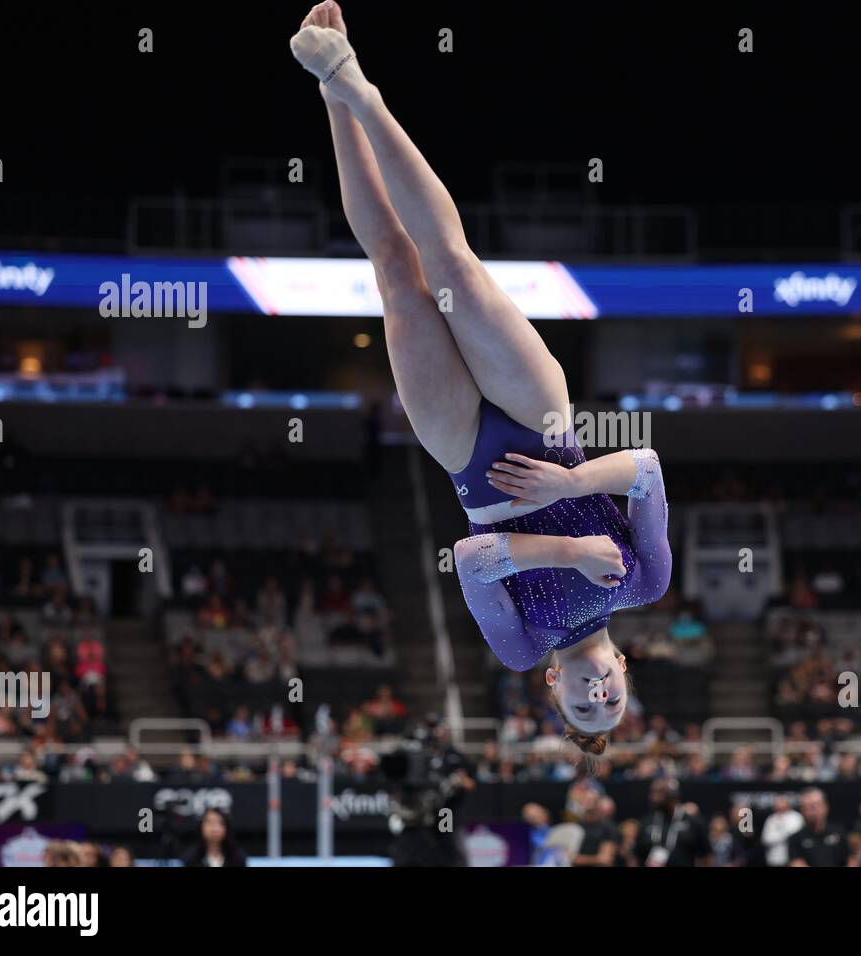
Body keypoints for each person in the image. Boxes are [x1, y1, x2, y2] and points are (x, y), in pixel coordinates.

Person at [291, 2, 672, 759]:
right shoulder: (644, 583)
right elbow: (646, 468)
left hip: (469, 461)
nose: (597, 697)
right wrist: (567, 492)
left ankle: (334, 99)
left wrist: (569, 553)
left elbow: (470, 560)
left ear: (552, 693)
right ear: (626, 671)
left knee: (399, 276)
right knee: (454, 266)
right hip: (550, 432)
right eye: (613, 702)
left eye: (585, 710)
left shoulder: (522, 646)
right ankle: (362, 88)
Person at [785, 788, 848, 867]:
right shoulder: (795, 839)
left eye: (815, 806)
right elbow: (797, 863)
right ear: (802, 810)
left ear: (825, 807)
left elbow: (850, 860)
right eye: (807, 807)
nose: (812, 811)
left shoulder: (840, 833)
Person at [182, 808, 247, 867]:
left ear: (226, 828)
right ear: (201, 827)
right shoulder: (190, 857)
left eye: (219, 823)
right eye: (209, 822)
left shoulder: (237, 858)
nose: (214, 828)